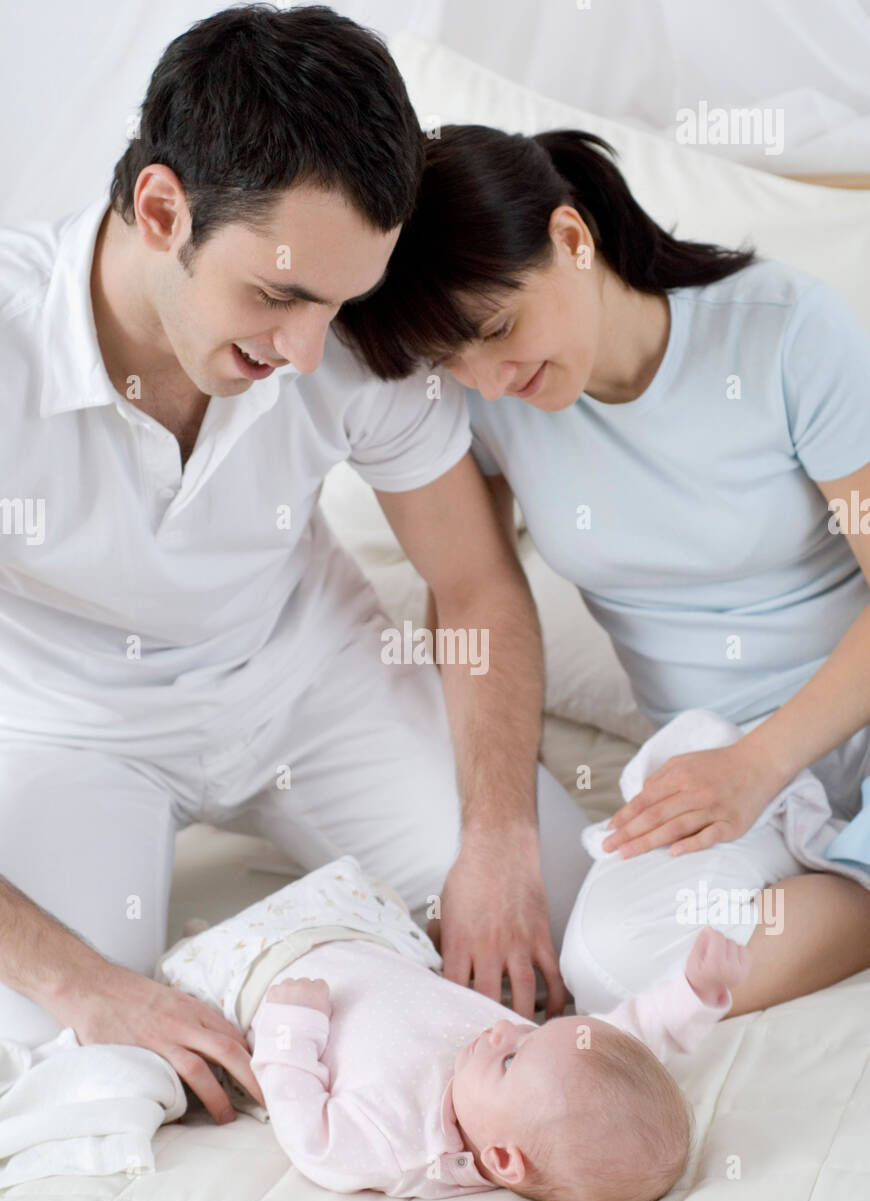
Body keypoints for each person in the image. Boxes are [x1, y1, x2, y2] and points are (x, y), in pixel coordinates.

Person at [0, 11, 593, 1125]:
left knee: (567, 921)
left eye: (342, 300)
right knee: (52, 1047)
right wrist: (87, 984)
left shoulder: (344, 333)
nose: (309, 352)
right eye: (277, 297)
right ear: (162, 211)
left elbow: (472, 585)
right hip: (69, 722)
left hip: (305, 677)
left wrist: (502, 840)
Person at [335, 123, 870, 1013]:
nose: (490, 380)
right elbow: (471, 594)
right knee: (611, 965)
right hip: (710, 756)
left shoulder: (784, 332)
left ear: (572, 238)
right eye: (451, 360)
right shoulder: (487, 407)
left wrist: (762, 763)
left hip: (825, 721)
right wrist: (496, 831)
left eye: (497, 329)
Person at [158, 854, 749, 1201]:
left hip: (259, 985)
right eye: (531, 1032)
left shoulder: (402, 1143)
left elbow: (310, 1140)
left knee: (172, 993)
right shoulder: (536, 1083)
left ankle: (198, 939)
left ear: (500, 1159)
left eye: (512, 1057)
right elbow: (629, 1033)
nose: (502, 1030)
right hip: (361, 937)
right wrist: (696, 993)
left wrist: (291, 1030)